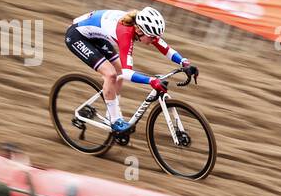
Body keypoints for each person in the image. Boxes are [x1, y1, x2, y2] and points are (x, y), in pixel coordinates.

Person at [63, 7, 196, 134]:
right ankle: (115, 121)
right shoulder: (125, 33)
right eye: (152, 37)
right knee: (111, 75)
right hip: (77, 36)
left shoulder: (141, 27)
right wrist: (150, 80)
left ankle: (111, 113)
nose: (154, 40)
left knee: (118, 71)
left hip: (96, 35)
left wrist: (184, 62)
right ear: (139, 31)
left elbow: (165, 48)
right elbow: (127, 73)